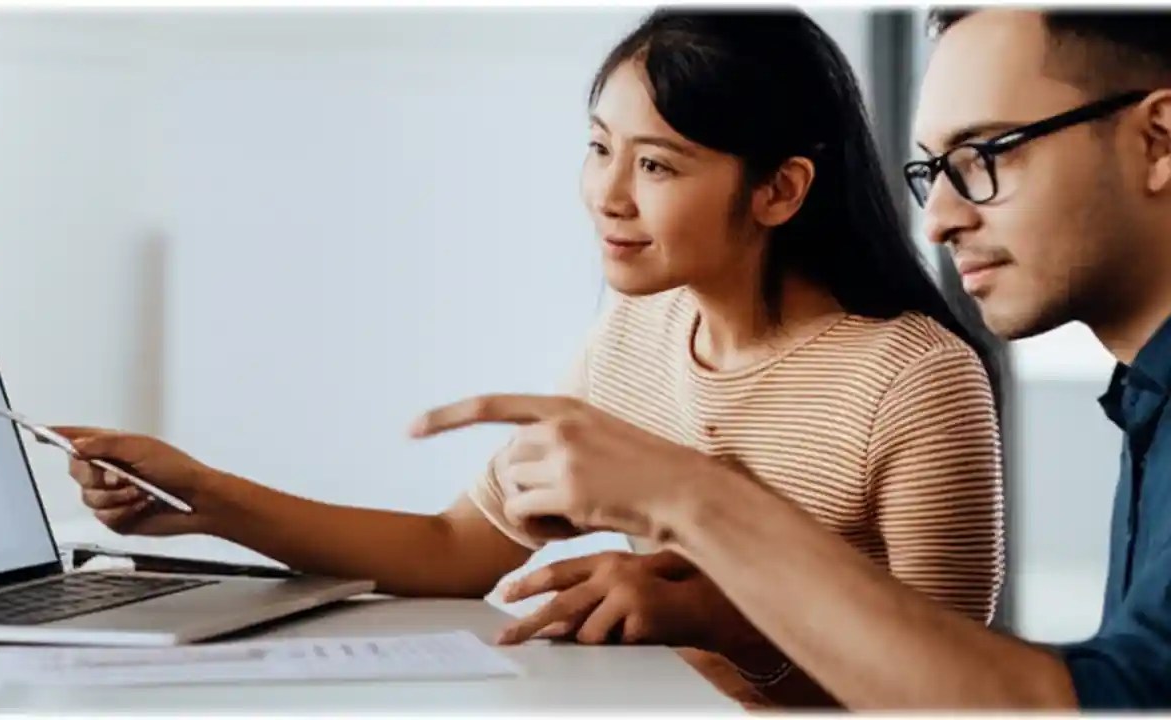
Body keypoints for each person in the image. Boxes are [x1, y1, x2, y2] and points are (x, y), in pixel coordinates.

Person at [59, 9, 1004, 707]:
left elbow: (952, 692)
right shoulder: (633, 340)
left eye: (657, 165)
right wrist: (202, 498)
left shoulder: (914, 379)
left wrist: (721, 620)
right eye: (599, 149)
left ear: (780, 190)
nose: (608, 195)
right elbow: (453, 549)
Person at [410, 7, 1171, 710]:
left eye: (984, 154)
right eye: (932, 170)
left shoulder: (914, 373)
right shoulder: (1147, 398)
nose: (937, 221)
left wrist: (692, 506)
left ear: (1159, 138)